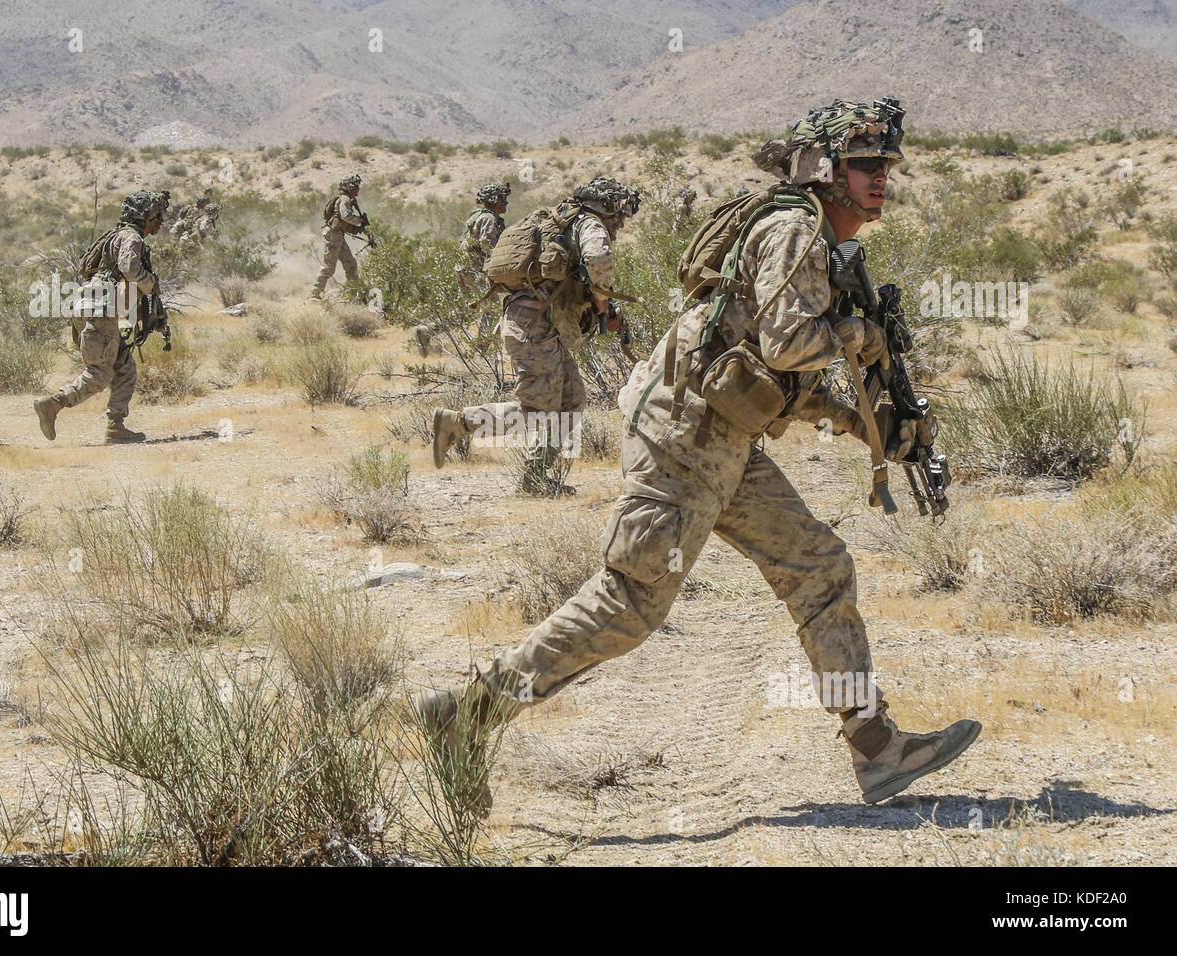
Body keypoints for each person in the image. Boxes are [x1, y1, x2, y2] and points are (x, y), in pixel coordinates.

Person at [416, 99, 980, 813]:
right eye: (867, 164)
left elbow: (772, 372)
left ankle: (877, 750)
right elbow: (787, 343)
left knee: (820, 568)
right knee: (631, 602)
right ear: (826, 169)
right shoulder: (793, 231)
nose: (882, 177)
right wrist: (858, 337)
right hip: (682, 439)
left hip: (726, 437)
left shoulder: (818, 244)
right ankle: (468, 713)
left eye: (888, 164)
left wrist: (853, 418)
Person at [430, 176, 639, 493]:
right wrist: (603, 303)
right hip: (533, 327)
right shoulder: (589, 224)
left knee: (571, 402)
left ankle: (534, 478)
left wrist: (600, 311)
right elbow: (598, 260)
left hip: (539, 326)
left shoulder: (563, 221)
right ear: (610, 206)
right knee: (538, 412)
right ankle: (458, 424)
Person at [33, 190, 170, 444]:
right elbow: (130, 269)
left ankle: (115, 427)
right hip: (102, 310)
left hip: (90, 306)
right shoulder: (131, 238)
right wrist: (151, 283)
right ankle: (52, 404)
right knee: (99, 373)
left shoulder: (114, 236)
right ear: (145, 216)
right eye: (158, 215)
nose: (161, 221)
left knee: (124, 368)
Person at [311, 174, 367, 299]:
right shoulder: (345, 199)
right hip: (334, 236)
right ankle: (314, 295)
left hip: (338, 236)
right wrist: (359, 221)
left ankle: (354, 293)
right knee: (329, 267)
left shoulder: (347, 199)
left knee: (351, 265)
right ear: (349, 187)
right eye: (356, 186)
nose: (358, 189)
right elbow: (345, 216)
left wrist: (359, 227)